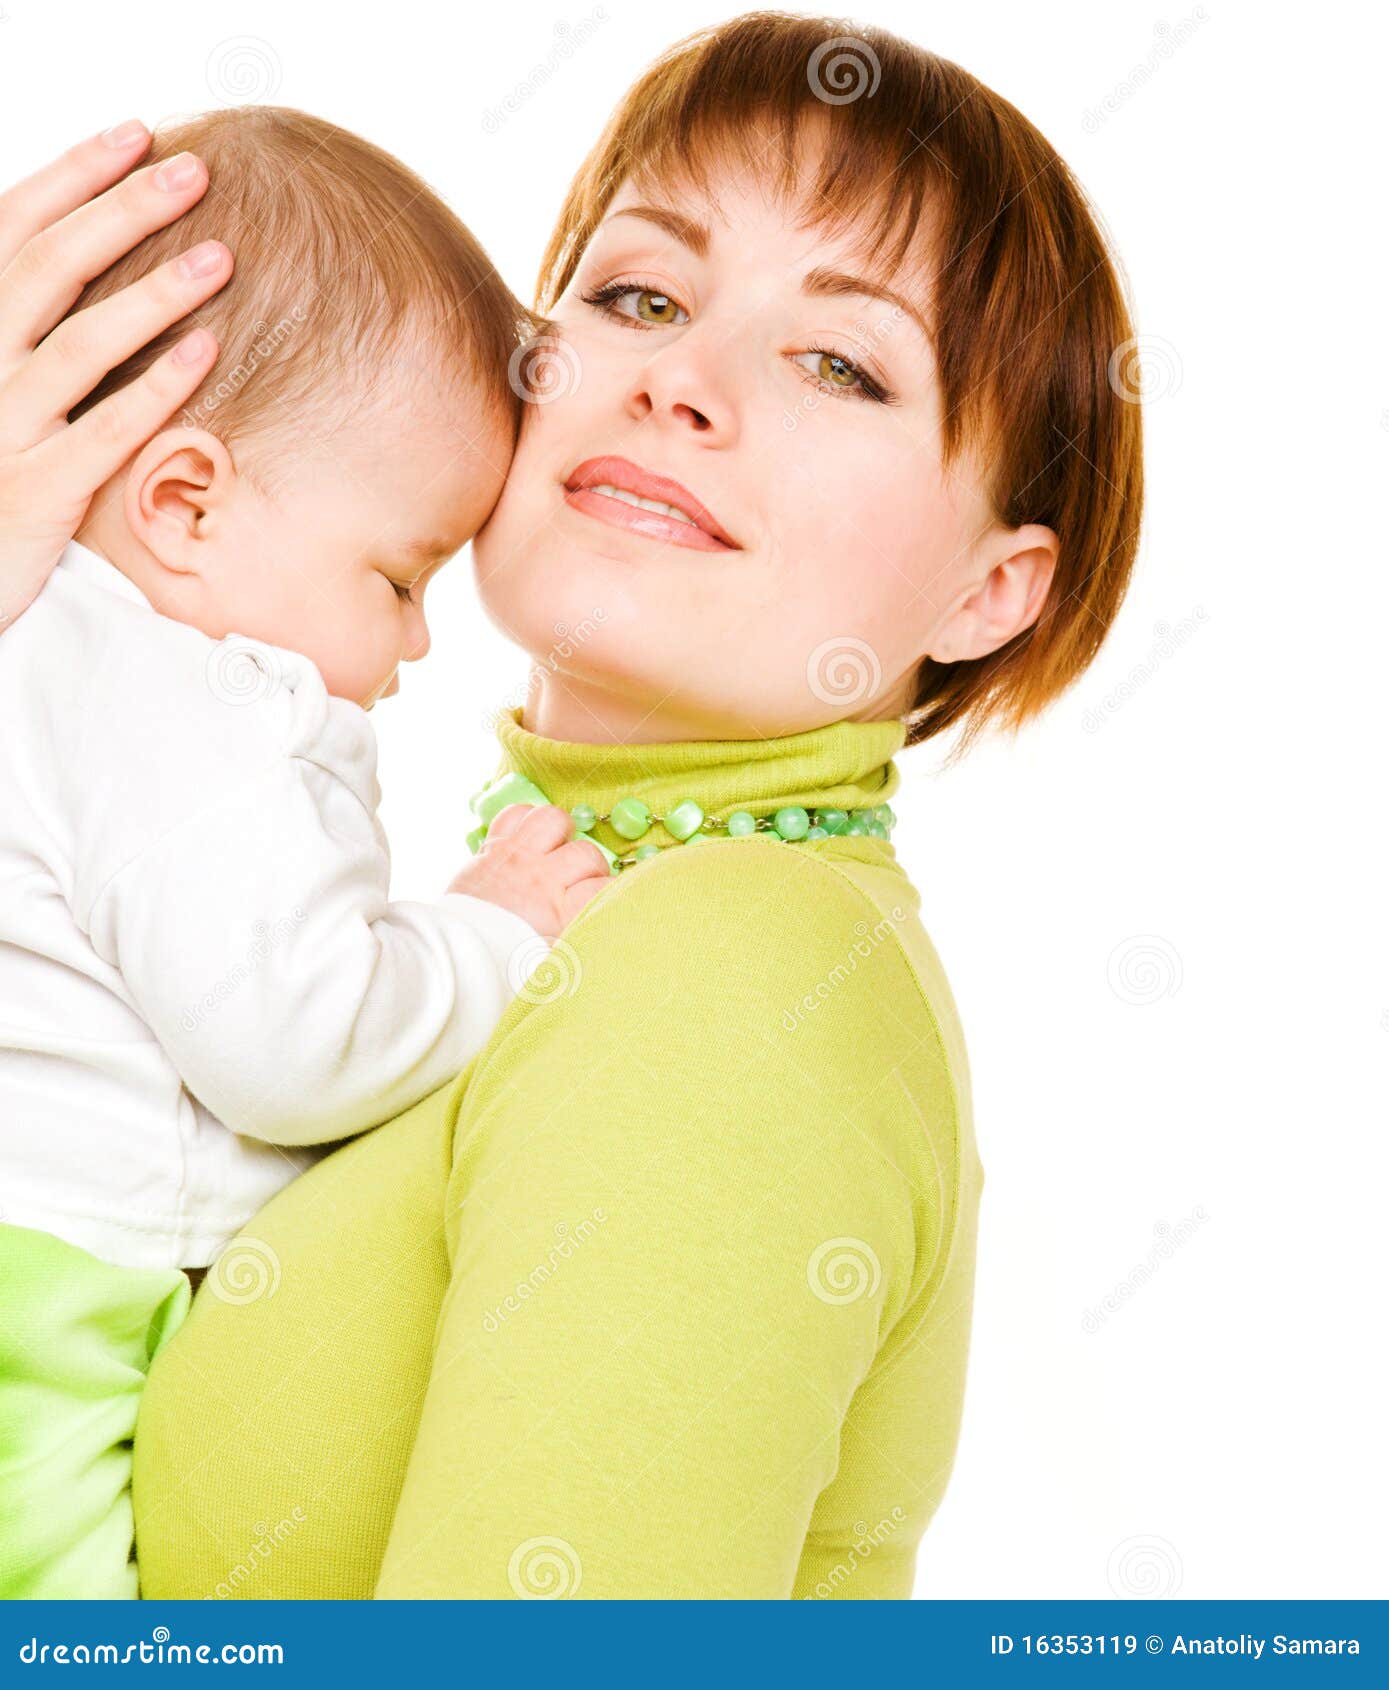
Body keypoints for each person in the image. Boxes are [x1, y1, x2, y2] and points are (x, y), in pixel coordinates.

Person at [0, 13, 1142, 1597]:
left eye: (838, 360)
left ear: (990, 589)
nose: (681, 376)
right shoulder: (471, 911)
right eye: (636, 295)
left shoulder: (731, 972)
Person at [0, 107, 608, 1600]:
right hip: (47, 1285)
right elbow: (293, 1037)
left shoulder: (49, 649)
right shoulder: (188, 705)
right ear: (185, 502)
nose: (411, 640)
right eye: (398, 577)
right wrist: (493, 928)